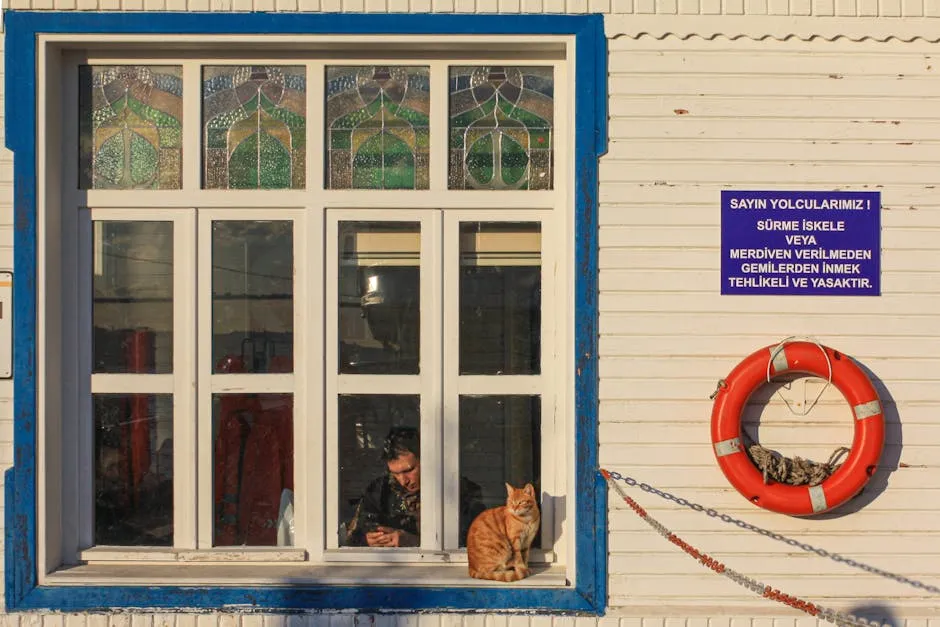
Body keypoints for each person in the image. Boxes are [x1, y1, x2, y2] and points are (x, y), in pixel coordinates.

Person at [344, 426, 484, 548]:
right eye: (395, 474)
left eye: (408, 471)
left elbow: (475, 545)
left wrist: (415, 543)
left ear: (427, 460)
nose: (402, 481)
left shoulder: (458, 491)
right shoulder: (379, 490)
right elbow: (352, 538)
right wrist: (367, 540)